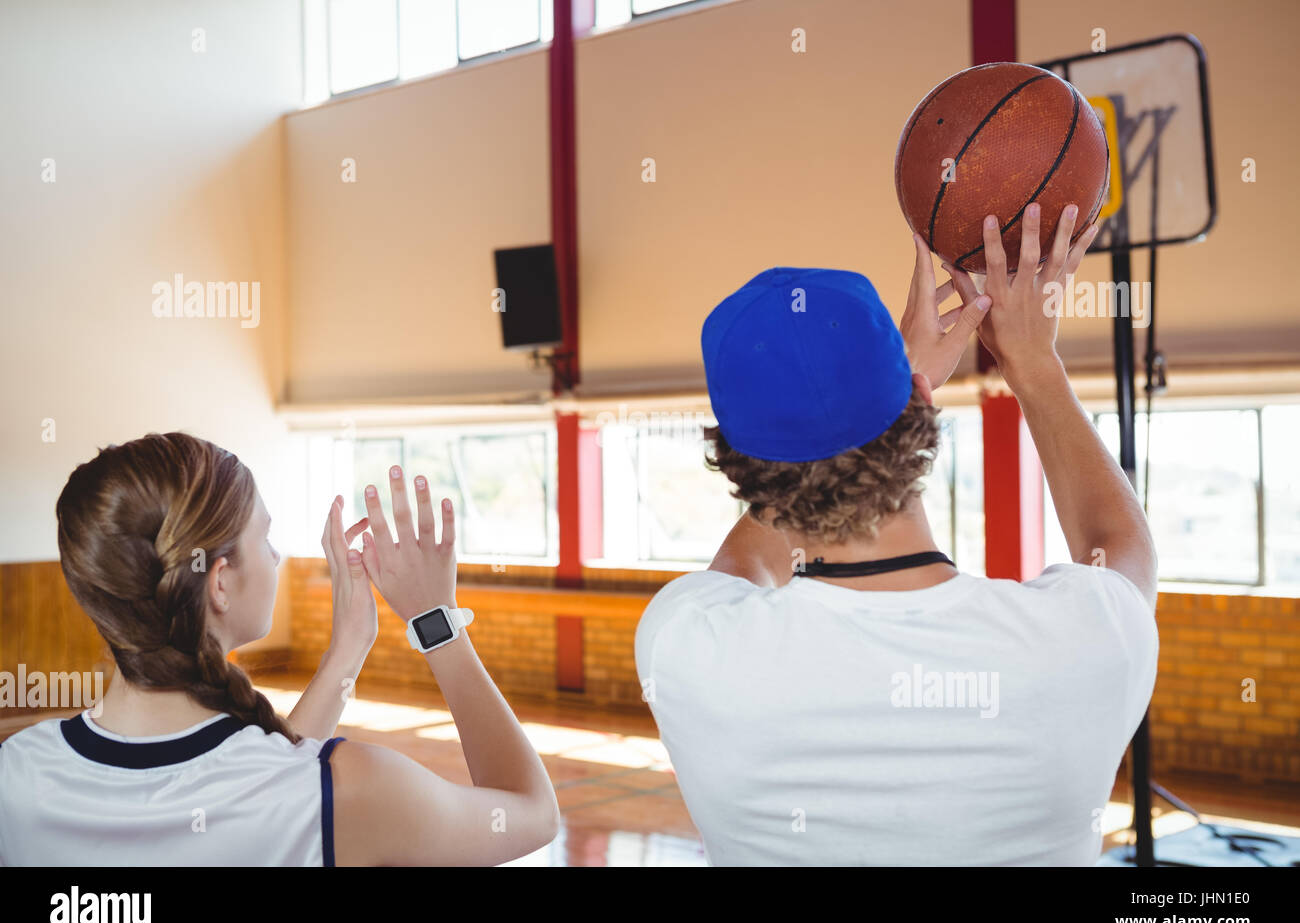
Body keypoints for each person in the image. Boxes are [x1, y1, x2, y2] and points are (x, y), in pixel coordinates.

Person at [635, 204, 1159, 865]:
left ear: (737, 468)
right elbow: (1123, 545)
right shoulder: (1088, 636)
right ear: (916, 400)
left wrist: (898, 396)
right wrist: (1032, 361)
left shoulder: (682, 643)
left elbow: (743, 563)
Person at [0, 433, 559, 865]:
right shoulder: (354, 790)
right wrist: (435, 621)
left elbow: (272, 775)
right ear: (219, 582)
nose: (276, 555)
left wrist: (348, 649)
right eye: (265, 538)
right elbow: (531, 812)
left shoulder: (19, 774)